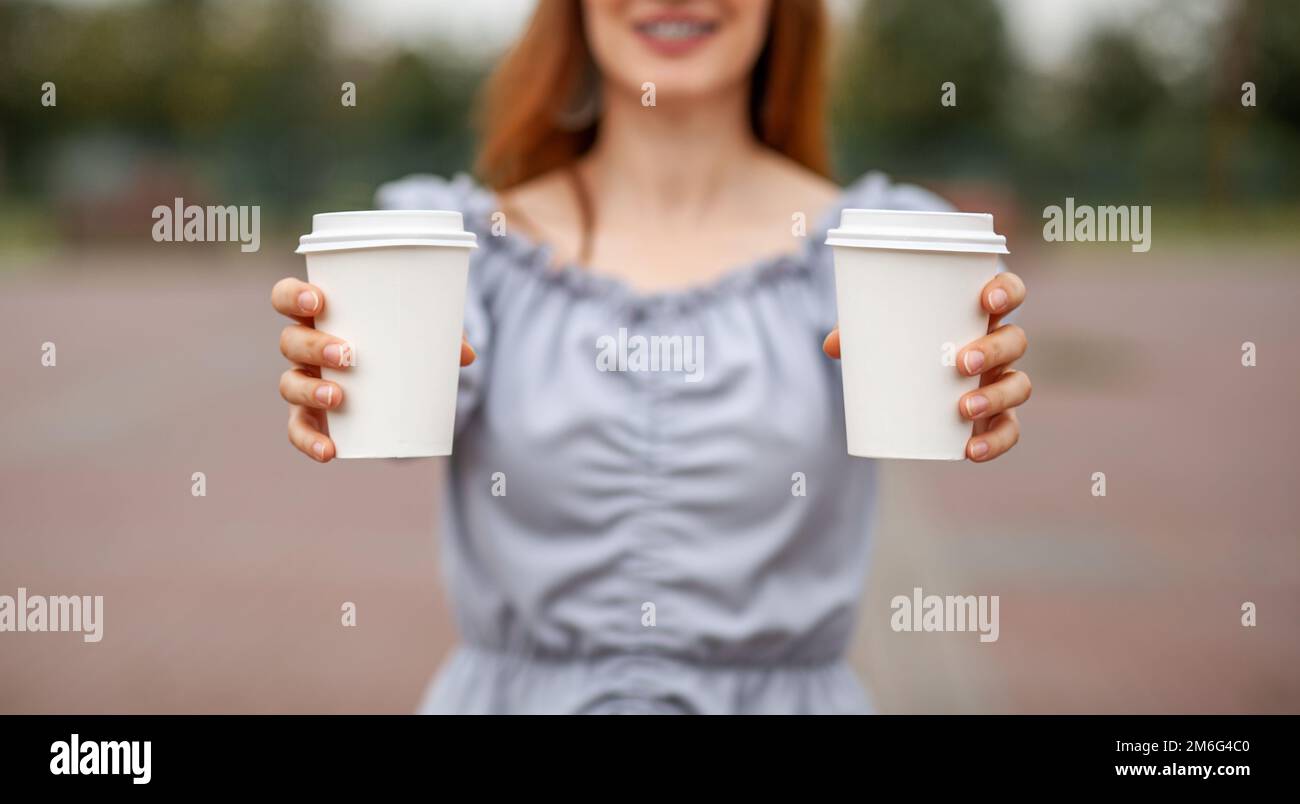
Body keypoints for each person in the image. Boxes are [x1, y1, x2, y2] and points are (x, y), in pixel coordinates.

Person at [270, 0, 1031, 714]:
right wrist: (339, 379)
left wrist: (977, 387)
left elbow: (951, 391)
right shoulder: (456, 243)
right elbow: (404, 403)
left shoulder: (876, 246)